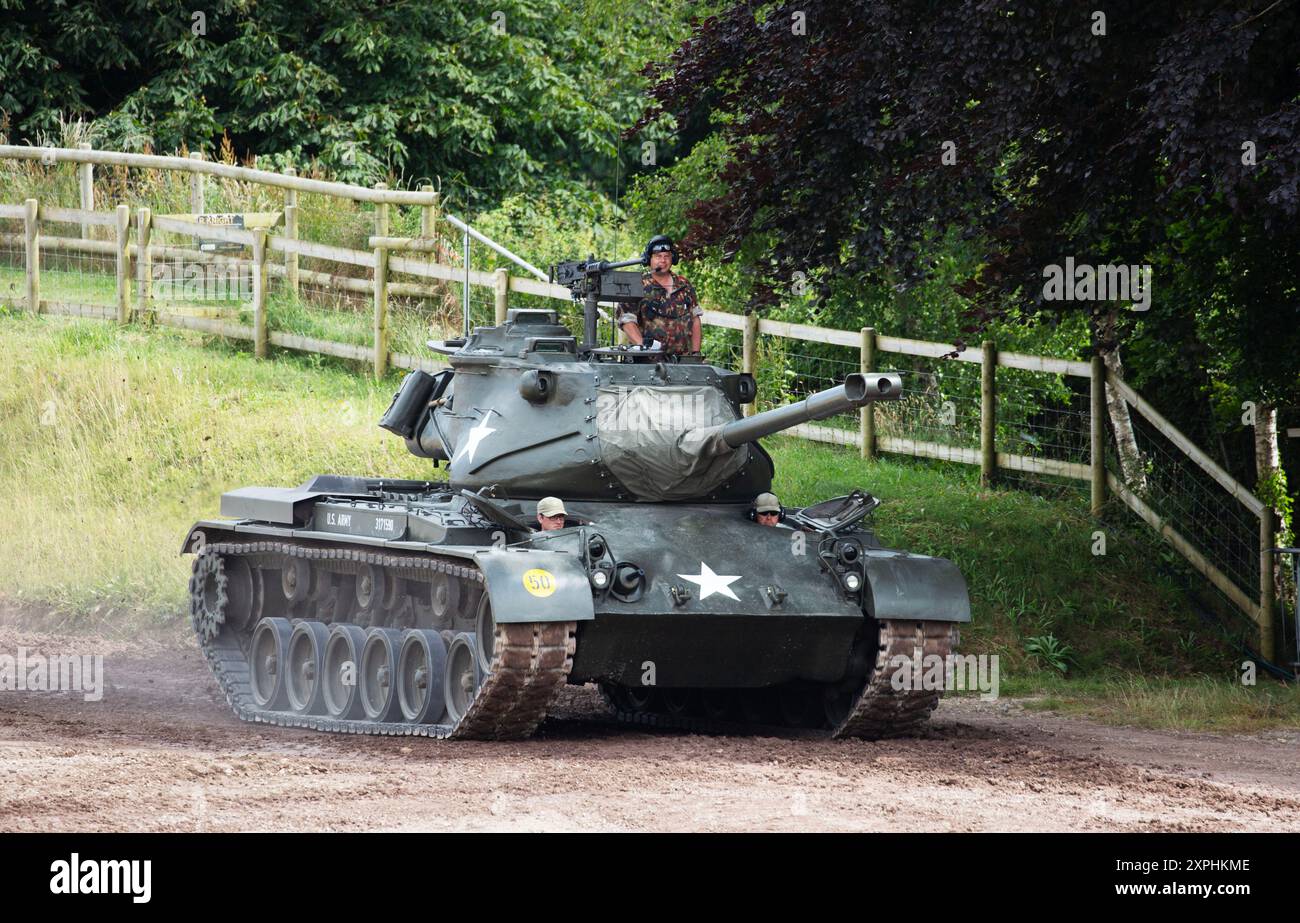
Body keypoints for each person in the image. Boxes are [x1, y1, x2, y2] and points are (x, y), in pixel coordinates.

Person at [618, 234, 703, 358]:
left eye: (667, 256)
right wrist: (643, 348)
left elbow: (695, 319)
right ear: (649, 259)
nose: (663, 261)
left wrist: (696, 354)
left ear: (672, 259)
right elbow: (627, 321)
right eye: (658, 256)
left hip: (682, 360)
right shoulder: (637, 285)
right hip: (647, 362)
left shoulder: (684, 285)